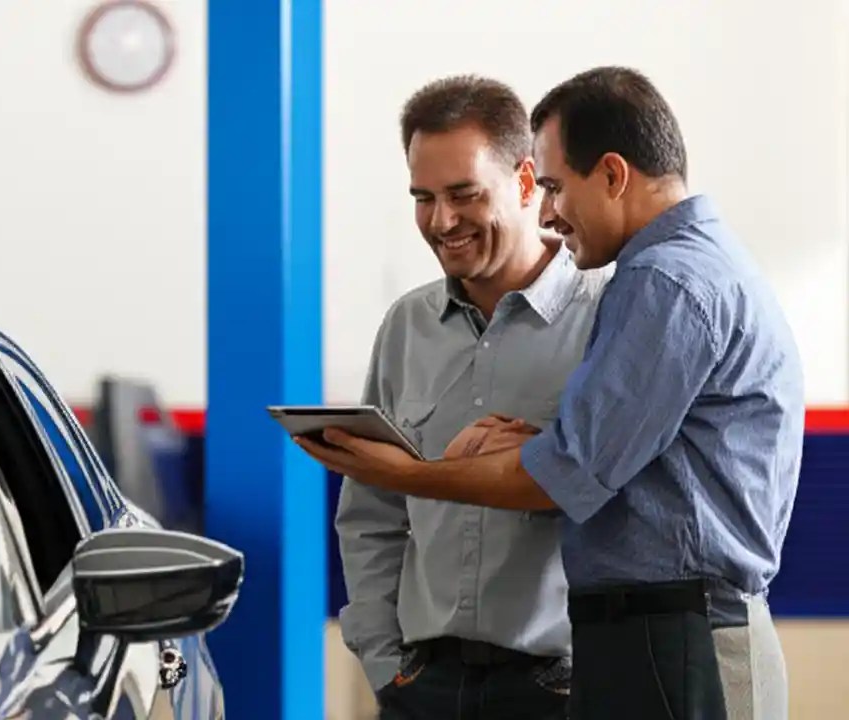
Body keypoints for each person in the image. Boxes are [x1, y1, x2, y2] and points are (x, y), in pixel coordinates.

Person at [300, 66, 803, 720]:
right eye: (423, 197)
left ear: (612, 175)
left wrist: (418, 473)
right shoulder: (684, 271)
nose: (551, 213)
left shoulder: (659, 286)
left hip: (662, 639)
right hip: (619, 642)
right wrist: (383, 656)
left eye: (557, 187)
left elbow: (568, 476)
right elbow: (622, 460)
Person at [334, 74, 610, 720]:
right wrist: (384, 662)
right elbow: (372, 515)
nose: (441, 221)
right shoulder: (406, 327)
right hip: (421, 688)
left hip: (560, 690)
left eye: (463, 194)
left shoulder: (605, 318)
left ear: (523, 183)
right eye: (423, 198)